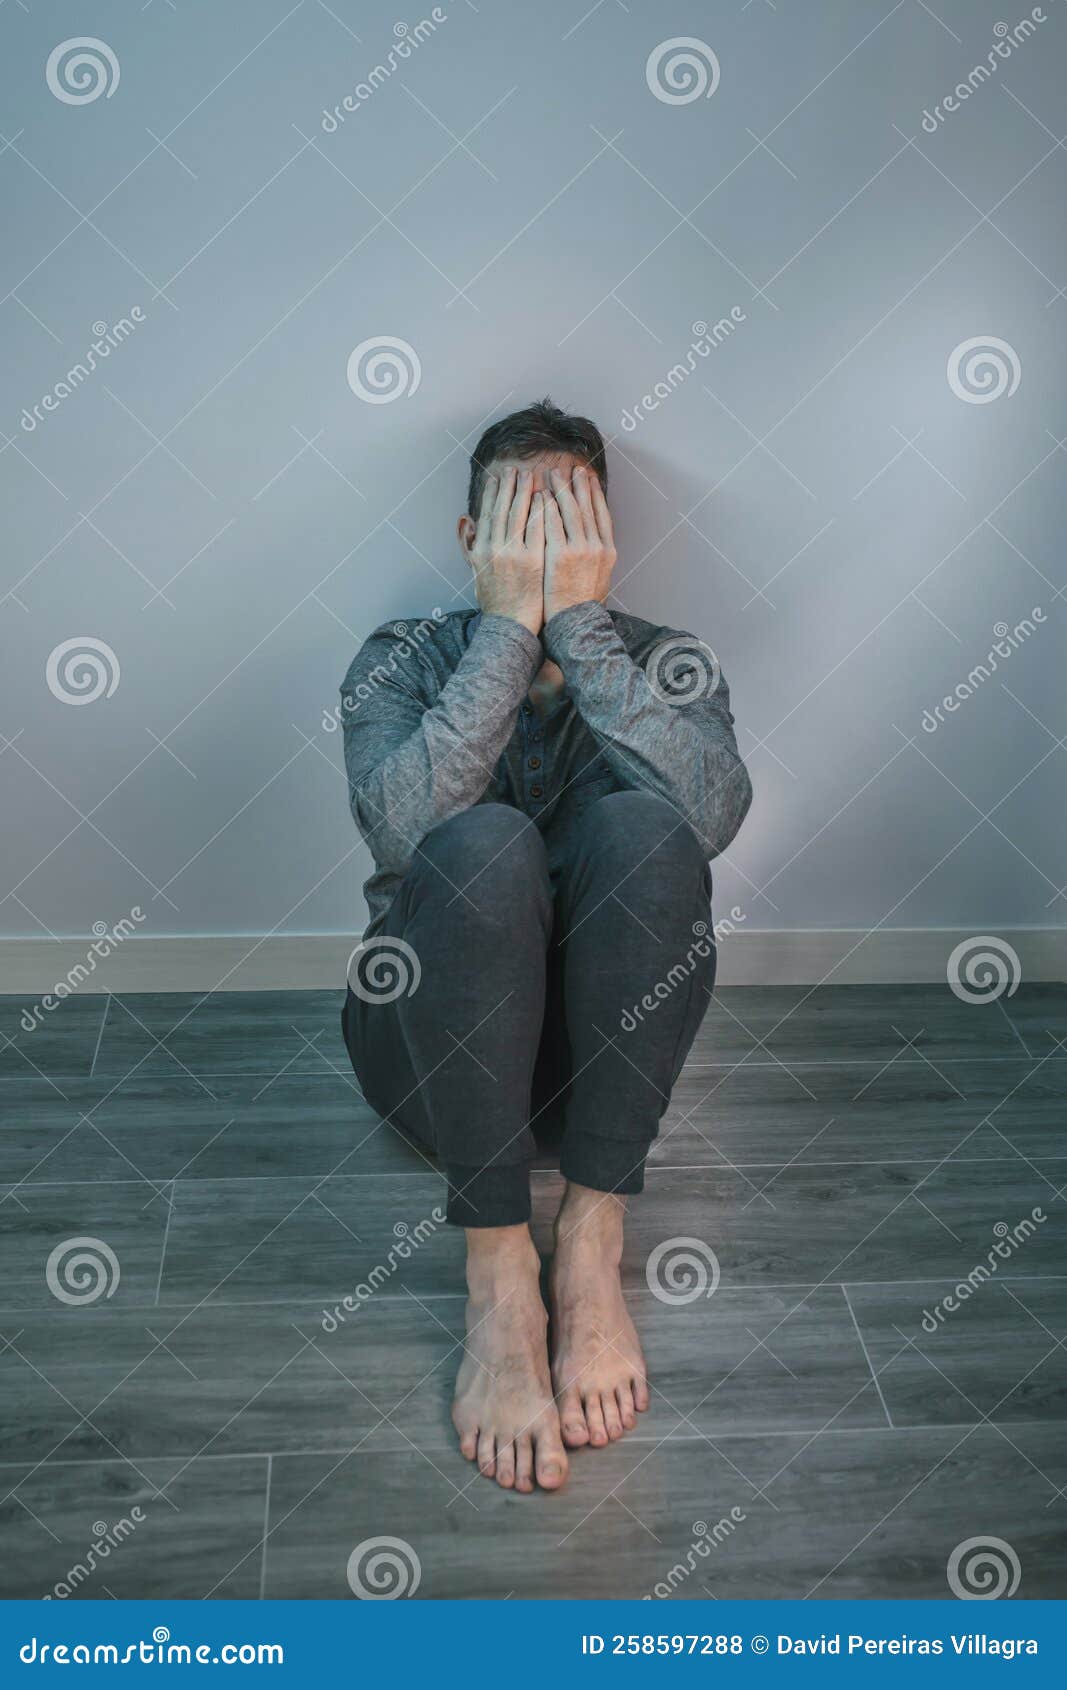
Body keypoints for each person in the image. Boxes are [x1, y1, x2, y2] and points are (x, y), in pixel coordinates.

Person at [340, 399, 752, 1494]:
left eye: (563, 525)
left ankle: (588, 1241)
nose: (538, 548)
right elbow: (401, 823)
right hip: (426, 1065)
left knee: (645, 825)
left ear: (601, 540)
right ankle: (495, 1271)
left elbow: (705, 821)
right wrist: (507, 631)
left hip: (589, 1092)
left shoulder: (665, 661)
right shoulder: (401, 657)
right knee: (472, 839)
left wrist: (576, 625)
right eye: (516, 526)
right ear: (474, 543)